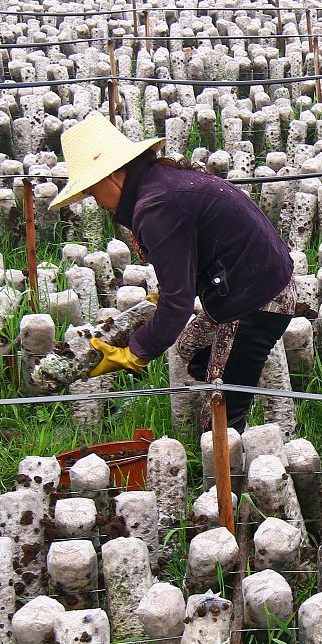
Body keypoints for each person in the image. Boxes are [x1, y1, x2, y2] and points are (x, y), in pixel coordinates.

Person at [50, 113, 295, 432]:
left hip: (256, 299)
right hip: (248, 283)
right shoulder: (160, 184)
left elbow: (178, 303)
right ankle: (232, 376)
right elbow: (185, 269)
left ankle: (234, 469)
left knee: (219, 422)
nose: (98, 202)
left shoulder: (157, 206)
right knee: (190, 347)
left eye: (93, 192)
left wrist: (135, 353)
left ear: (110, 178)